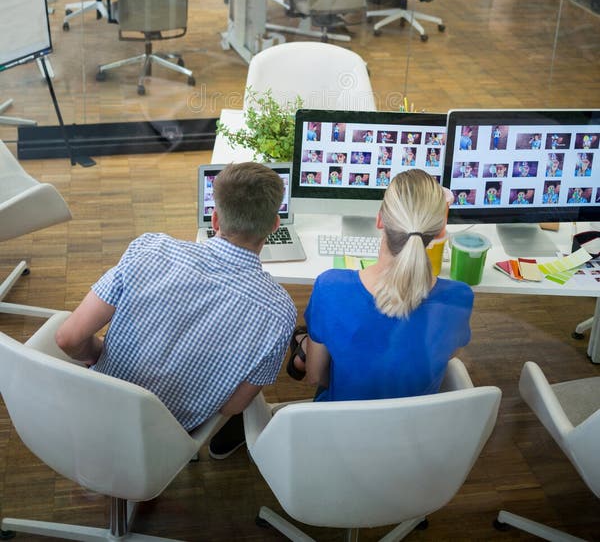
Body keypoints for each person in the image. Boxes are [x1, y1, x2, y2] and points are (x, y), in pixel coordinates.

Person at [54, 162, 297, 457]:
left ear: (215, 219)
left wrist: (97, 354)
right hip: (165, 442)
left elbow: (67, 338)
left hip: (92, 411)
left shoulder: (149, 249)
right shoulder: (280, 313)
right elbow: (232, 406)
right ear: (274, 226)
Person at [287, 170, 473, 401]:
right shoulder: (459, 297)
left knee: (317, 345)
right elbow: (445, 357)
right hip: (416, 430)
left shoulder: (331, 288)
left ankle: (304, 344)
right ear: (440, 231)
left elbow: (316, 377)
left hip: (341, 428)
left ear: (380, 219)